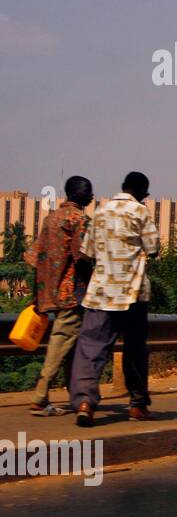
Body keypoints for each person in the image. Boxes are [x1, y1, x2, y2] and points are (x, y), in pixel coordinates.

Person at [68, 172, 160, 427]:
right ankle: (138, 405)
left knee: (90, 349)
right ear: (142, 192)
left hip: (101, 293)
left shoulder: (100, 211)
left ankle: (85, 402)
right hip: (132, 293)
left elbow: (85, 254)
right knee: (135, 350)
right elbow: (153, 249)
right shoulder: (140, 212)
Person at [22, 177, 95, 416]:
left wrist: (37, 295)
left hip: (49, 291)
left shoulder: (51, 217)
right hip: (71, 292)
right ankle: (40, 396)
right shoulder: (80, 219)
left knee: (69, 344)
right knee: (62, 339)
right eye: (89, 193)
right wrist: (92, 284)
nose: (91, 197)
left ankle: (76, 396)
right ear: (80, 194)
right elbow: (82, 257)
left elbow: (36, 257)